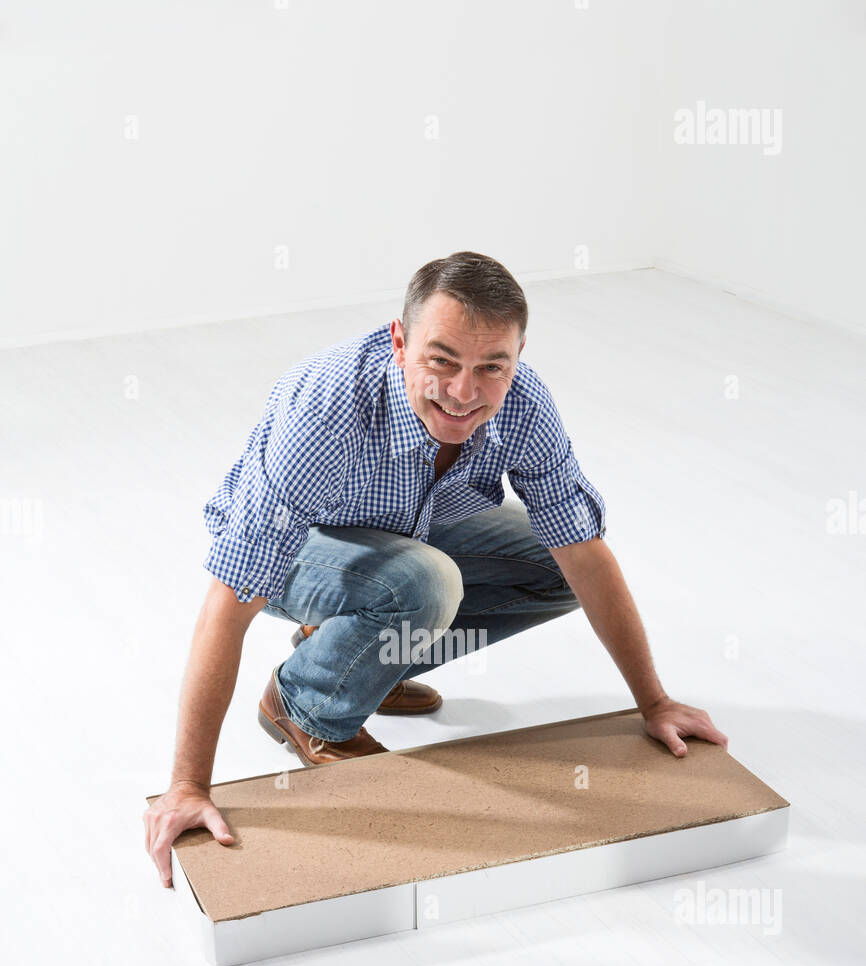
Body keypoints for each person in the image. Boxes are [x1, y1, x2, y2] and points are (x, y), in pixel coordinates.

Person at [144, 251, 727, 886]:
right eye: (441, 360)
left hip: (407, 536)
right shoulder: (329, 410)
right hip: (296, 552)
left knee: (558, 561)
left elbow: (583, 552)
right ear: (400, 341)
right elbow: (227, 605)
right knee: (423, 583)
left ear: (518, 355)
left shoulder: (523, 404)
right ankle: (307, 703)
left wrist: (656, 702)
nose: (464, 392)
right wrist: (186, 785)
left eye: (491, 367)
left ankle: (364, 660)